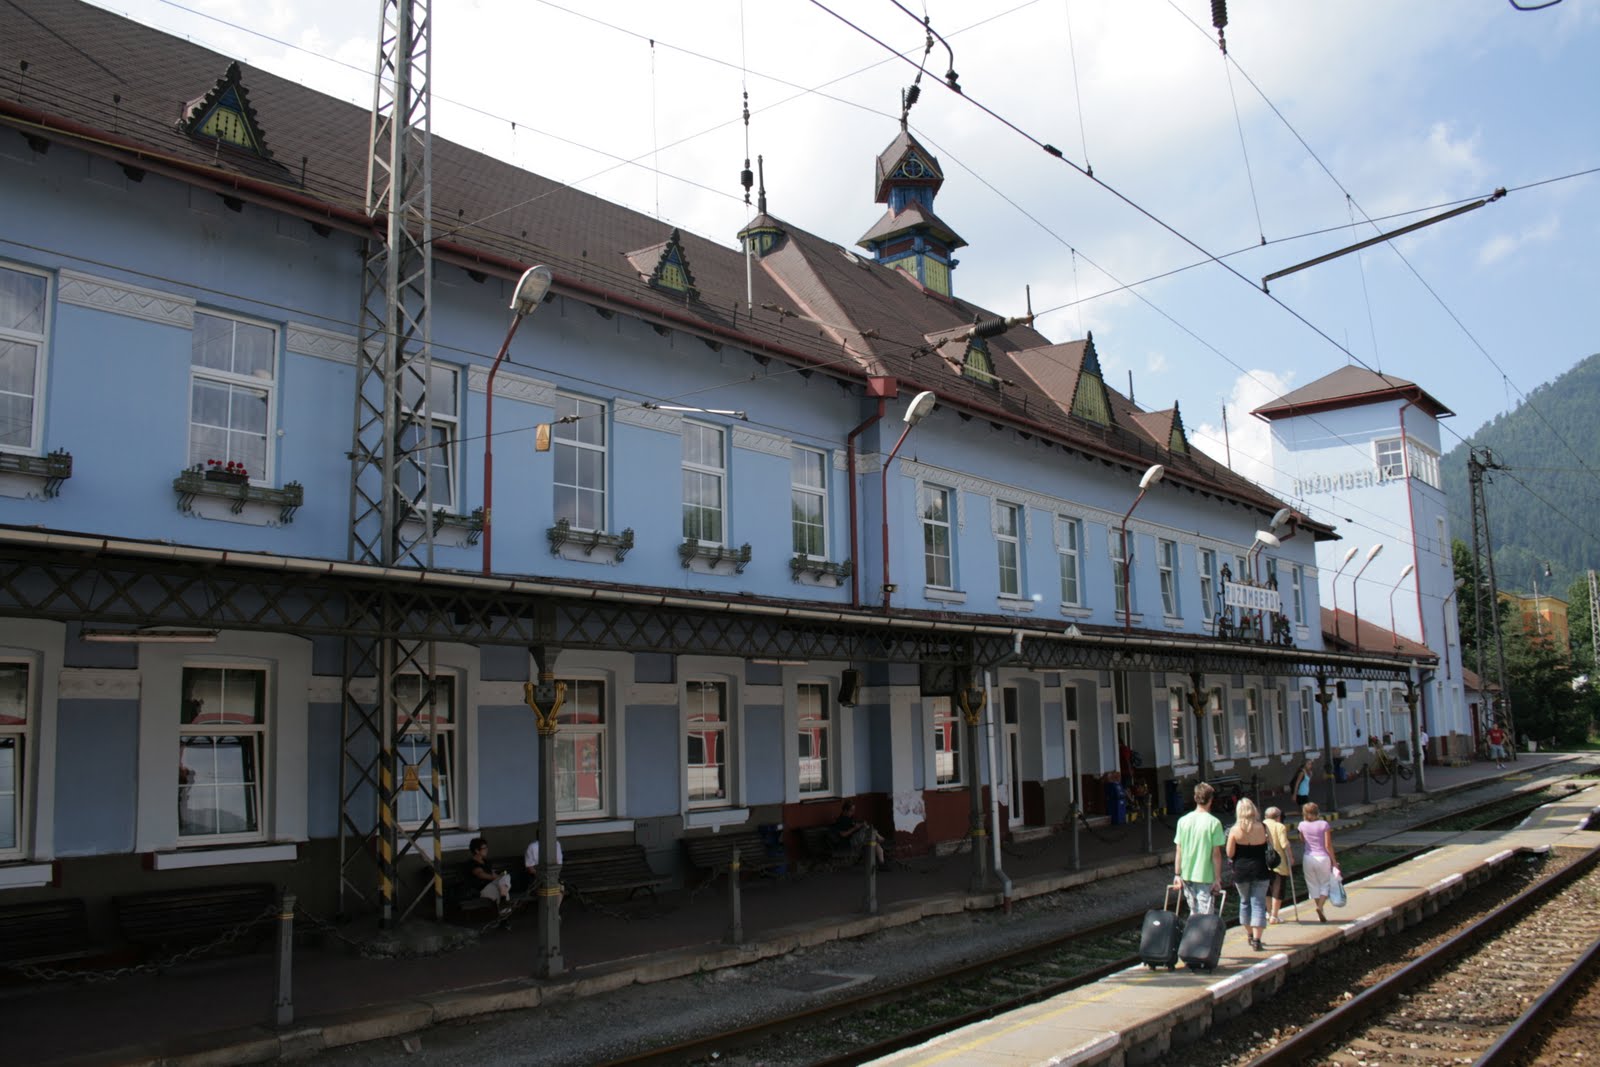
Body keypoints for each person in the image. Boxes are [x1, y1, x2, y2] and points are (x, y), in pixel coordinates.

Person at [1172, 781, 1225, 916]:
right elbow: (1216, 854)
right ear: (1211, 800)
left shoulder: (1183, 821)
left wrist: (1177, 874)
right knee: (1206, 916)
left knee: (1194, 913)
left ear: (1195, 798)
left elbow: (1179, 850)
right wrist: (1217, 878)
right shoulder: (1214, 823)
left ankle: (1193, 936)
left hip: (1187, 875)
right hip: (1205, 876)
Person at [1227, 798, 1272, 950]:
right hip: (1261, 870)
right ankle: (1257, 940)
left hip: (1241, 871)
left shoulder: (1234, 830)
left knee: (1245, 902)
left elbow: (1230, 853)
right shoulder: (1263, 828)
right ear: (1253, 810)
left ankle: (1250, 934)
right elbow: (1270, 848)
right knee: (1259, 904)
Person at [1297, 801, 1340, 922]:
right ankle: (1320, 907)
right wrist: (1334, 862)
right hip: (1322, 858)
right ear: (1317, 812)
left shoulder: (1301, 825)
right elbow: (1328, 845)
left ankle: (1320, 910)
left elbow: (1302, 840)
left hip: (1308, 857)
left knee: (1312, 884)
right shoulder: (1324, 824)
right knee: (1325, 884)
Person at [830, 799, 887, 868]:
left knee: (874, 841)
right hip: (850, 842)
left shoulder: (850, 818)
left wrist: (860, 825)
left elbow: (854, 826)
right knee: (867, 830)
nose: (853, 812)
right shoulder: (841, 820)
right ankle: (878, 836)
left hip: (857, 838)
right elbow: (843, 834)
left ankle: (882, 863)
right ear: (845, 811)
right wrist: (855, 828)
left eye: (854, 810)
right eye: (851, 810)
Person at [1263, 805, 1293, 925]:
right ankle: (1274, 916)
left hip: (1264, 861)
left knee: (1268, 889)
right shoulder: (1279, 826)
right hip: (1278, 861)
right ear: (1278, 817)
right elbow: (1284, 845)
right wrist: (1290, 858)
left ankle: (1269, 912)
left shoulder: (1261, 825)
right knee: (1278, 888)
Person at [467, 837, 512, 917]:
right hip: (483, 888)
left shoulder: (486, 862)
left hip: (494, 885)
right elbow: (481, 874)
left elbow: (493, 874)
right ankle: (504, 920)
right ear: (477, 851)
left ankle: (503, 914)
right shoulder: (472, 863)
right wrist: (497, 878)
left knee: (506, 877)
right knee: (503, 893)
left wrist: (500, 876)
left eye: (486, 847)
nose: (487, 849)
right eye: (484, 848)